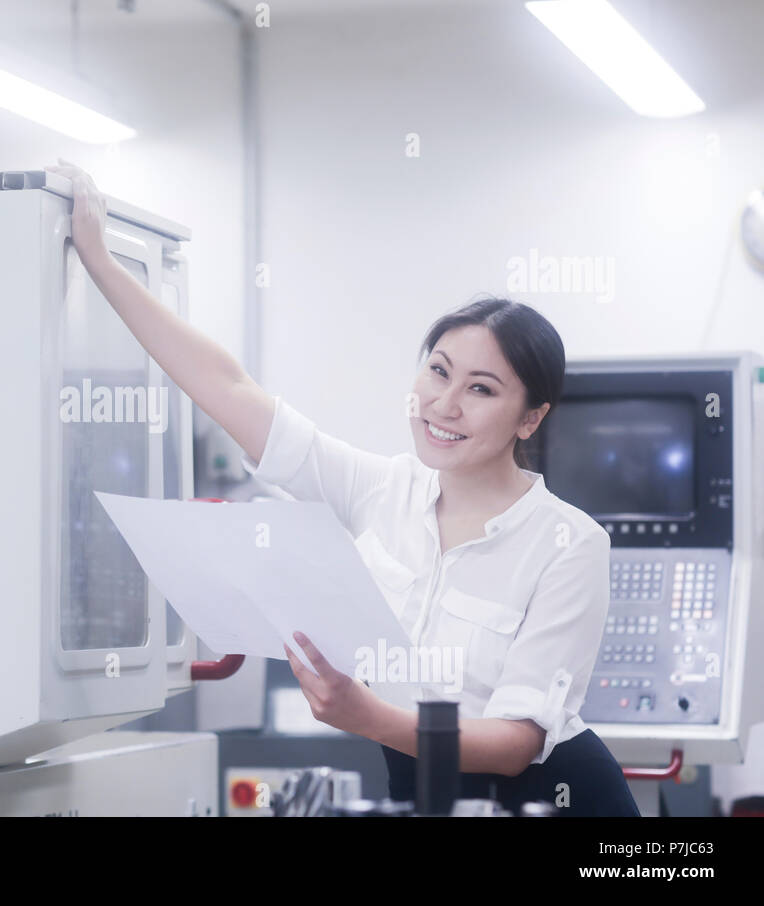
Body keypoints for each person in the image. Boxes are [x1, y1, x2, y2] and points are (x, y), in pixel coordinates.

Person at [47, 159, 640, 817]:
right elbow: (230, 389)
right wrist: (100, 261)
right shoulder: (381, 491)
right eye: (437, 372)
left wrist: (367, 717)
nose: (444, 404)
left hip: (553, 801)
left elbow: (513, 744)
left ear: (531, 417)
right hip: (422, 792)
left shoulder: (567, 544)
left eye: (481, 389)